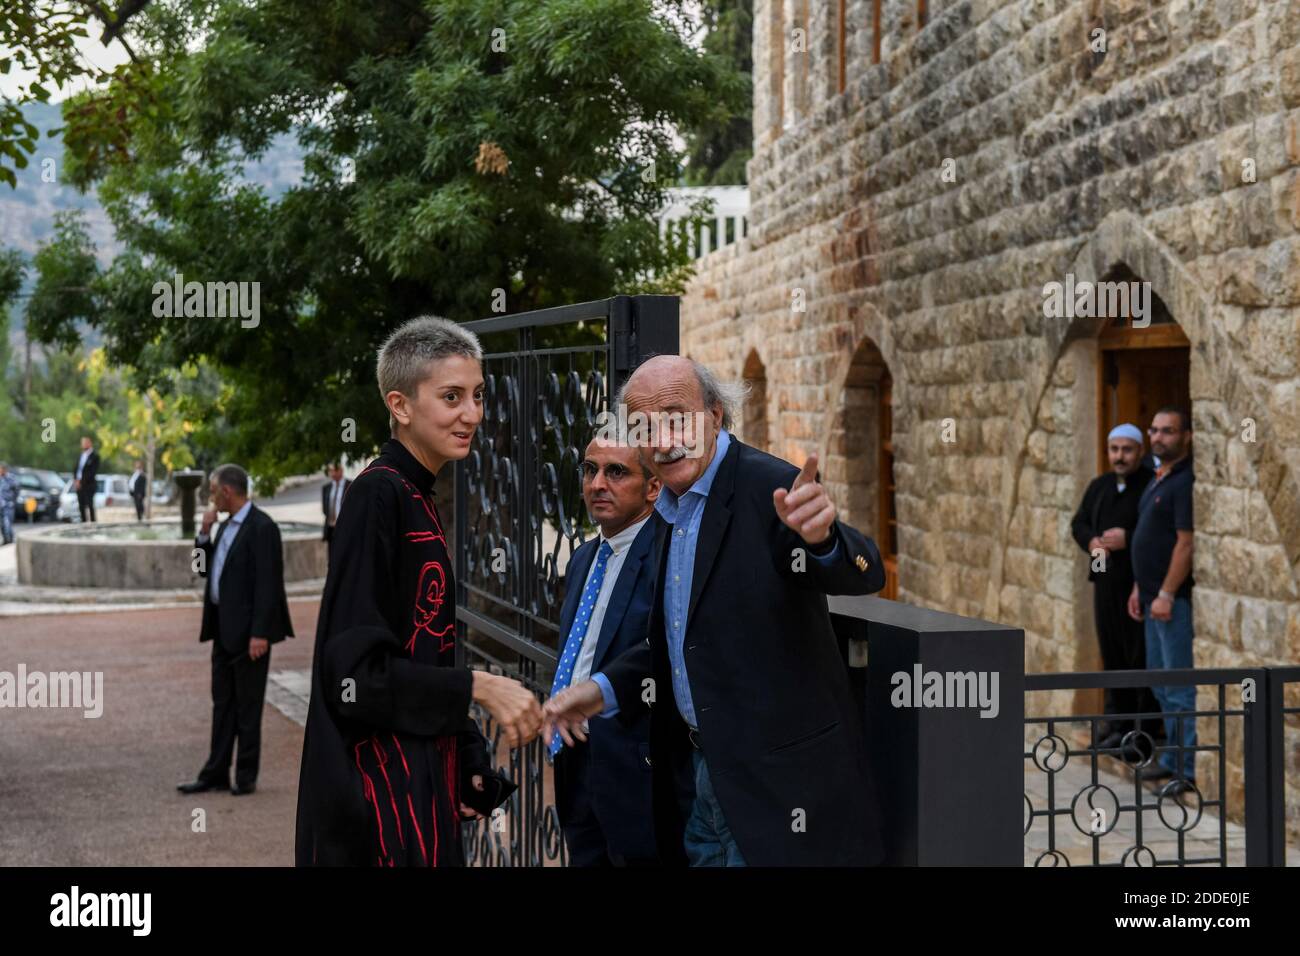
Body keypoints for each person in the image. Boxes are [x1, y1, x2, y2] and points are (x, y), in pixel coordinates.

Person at [544, 356, 888, 867]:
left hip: (779, 792)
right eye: (644, 426)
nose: (664, 438)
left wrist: (824, 539)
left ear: (716, 416)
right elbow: (677, 642)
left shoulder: (767, 486)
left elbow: (864, 572)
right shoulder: (669, 509)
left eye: (676, 417)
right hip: (701, 781)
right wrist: (600, 691)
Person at [295, 315, 542, 867]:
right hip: (377, 806)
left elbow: (421, 648)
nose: (471, 414)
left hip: (419, 788)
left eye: (478, 396)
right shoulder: (377, 497)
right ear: (400, 406)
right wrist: (478, 687)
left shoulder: (415, 494)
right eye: (451, 396)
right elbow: (354, 676)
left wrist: (467, 753)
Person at [550, 433, 661, 866]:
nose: (597, 484)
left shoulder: (666, 555)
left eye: (616, 472)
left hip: (636, 772)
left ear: (652, 487)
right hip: (574, 761)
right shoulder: (584, 558)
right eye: (590, 469)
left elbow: (664, 650)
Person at [178, 464, 294, 796]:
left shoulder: (262, 528)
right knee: (223, 704)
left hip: (249, 637)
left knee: (248, 707)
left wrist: (261, 633)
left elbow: (268, 585)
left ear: (227, 491)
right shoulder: (224, 527)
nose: (211, 497)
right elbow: (201, 570)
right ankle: (215, 772)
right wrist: (202, 532)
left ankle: (245, 776)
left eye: (213, 491)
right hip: (222, 632)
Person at [1070, 424, 1160, 757]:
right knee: (1112, 656)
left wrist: (1128, 537)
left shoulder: (1149, 486)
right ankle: (1118, 726)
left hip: (1136, 586)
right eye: (1114, 449)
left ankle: (1143, 733)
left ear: (1139, 452)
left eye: (1126, 450)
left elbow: (1155, 529)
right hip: (1104, 583)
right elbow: (1078, 523)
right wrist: (1092, 541)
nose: (1119, 456)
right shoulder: (1100, 486)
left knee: (1139, 657)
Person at [1127, 407, 1196, 797]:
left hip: (1171, 604)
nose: (1158, 437)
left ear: (1185, 436)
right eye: (1153, 430)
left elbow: (1185, 544)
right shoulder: (1159, 477)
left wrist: (1167, 593)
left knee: (1179, 686)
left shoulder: (1184, 482)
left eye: (1168, 431)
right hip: (1151, 599)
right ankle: (1171, 759)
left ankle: (1184, 770)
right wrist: (1141, 588)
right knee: (1160, 681)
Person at [321, 462, 349, 557]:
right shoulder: (326, 488)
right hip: (331, 529)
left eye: (335, 470)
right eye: (330, 471)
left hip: (345, 527)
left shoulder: (350, 485)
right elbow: (325, 509)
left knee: (345, 556)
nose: (332, 474)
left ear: (341, 470)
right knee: (332, 558)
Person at [73, 436, 100, 523]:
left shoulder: (95, 456)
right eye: (82, 443)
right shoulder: (81, 455)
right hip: (79, 484)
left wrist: (81, 481)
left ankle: (93, 523)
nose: (83, 444)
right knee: (81, 506)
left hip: (89, 485)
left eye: (85, 442)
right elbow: (76, 469)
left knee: (90, 505)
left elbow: (92, 472)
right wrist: (76, 480)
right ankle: (83, 523)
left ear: (89, 443)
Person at [0, 462, 18, 545]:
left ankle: (10, 540)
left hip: (8, 505)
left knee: (8, 523)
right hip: (1, 505)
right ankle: (6, 540)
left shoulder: (11, 478)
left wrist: (12, 501)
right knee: (2, 524)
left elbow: (16, 491)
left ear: (4, 469)